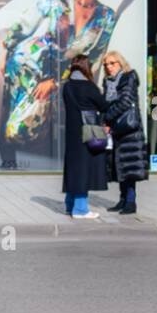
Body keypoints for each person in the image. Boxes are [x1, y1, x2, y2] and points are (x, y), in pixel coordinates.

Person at [1, 0, 116, 168]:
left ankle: (73, 166)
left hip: (60, 75)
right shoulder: (57, 0)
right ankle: (8, 160)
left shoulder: (106, 16)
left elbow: (92, 58)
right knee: (13, 117)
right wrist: (6, 51)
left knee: (31, 124)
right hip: (27, 63)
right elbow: (23, 25)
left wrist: (55, 81)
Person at [60, 55, 109, 219]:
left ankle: (70, 204)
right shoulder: (89, 87)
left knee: (73, 168)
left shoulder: (67, 87)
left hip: (71, 133)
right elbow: (103, 106)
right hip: (89, 131)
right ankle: (80, 209)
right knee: (84, 169)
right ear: (86, 67)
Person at [101, 50, 147, 214]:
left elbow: (126, 101)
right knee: (120, 166)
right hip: (116, 130)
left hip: (130, 130)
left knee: (130, 168)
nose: (108, 67)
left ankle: (130, 202)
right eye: (106, 64)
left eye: (112, 63)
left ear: (120, 63)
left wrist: (107, 117)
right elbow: (106, 103)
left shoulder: (129, 77)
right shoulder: (107, 82)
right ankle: (122, 200)